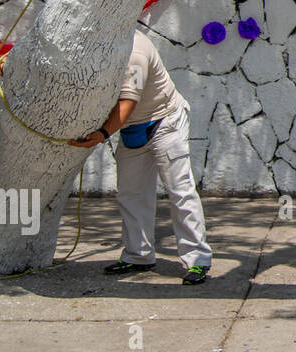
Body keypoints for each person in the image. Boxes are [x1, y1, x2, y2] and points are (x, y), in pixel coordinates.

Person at [69, 29, 212, 285]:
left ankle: (197, 260)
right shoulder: (92, 43)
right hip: (130, 127)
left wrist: (102, 133)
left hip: (165, 121)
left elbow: (128, 102)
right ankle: (138, 255)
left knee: (180, 191)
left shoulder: (134, 50)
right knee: (130, 192)